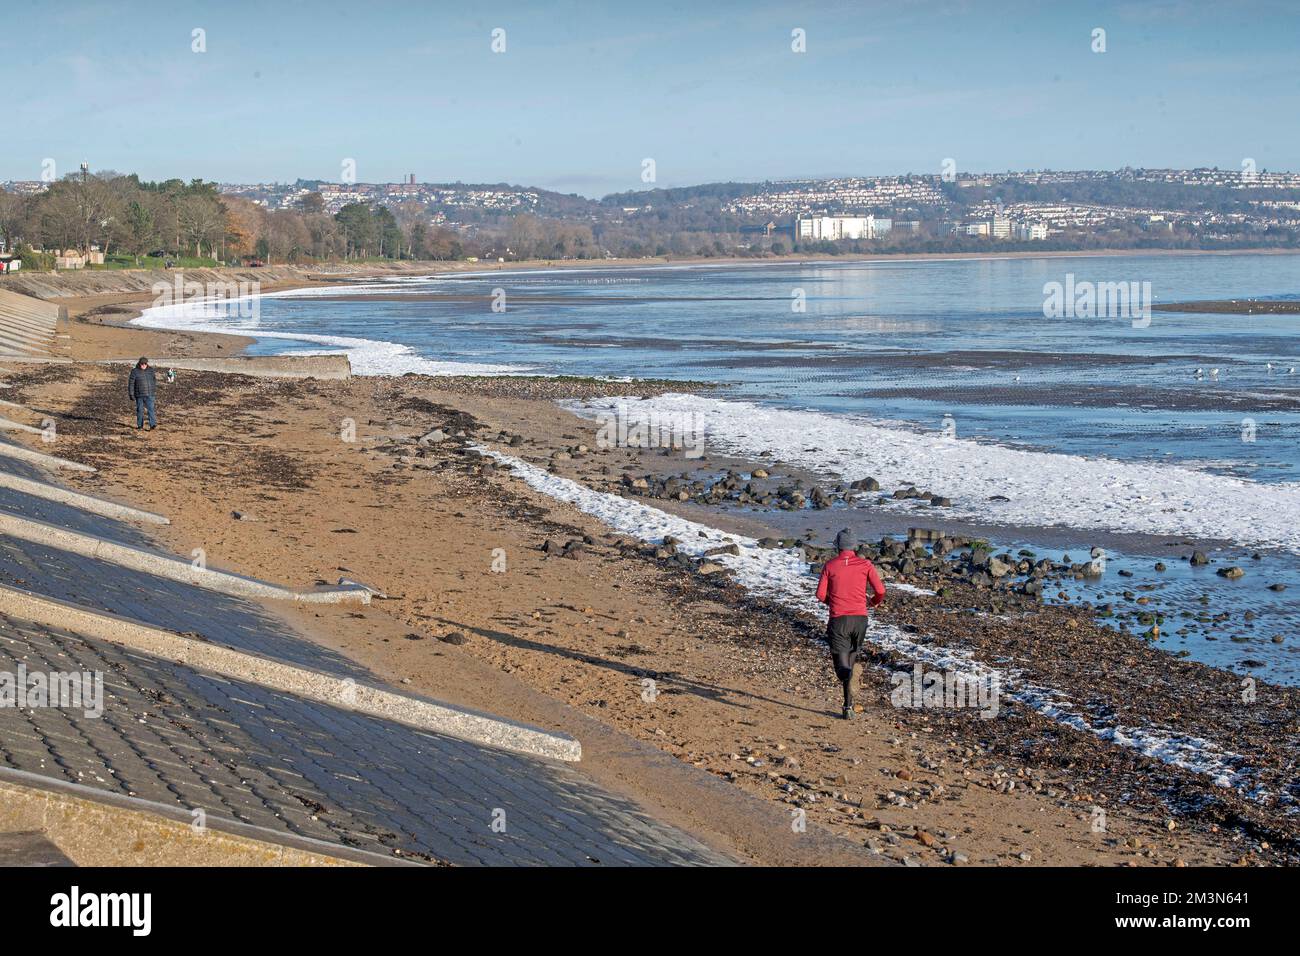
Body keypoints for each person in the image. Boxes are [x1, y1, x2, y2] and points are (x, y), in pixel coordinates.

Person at [815, 529, 885, 720]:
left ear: (837, 546)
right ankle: (848, 707)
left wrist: (833, 602)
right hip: (860, 620)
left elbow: (820, 595)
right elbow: (880, 590)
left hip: (839, 620)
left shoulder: (830, 566)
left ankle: (848, 685)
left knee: (841, 668)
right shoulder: (865, 564)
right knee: (851, 664)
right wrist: (873, 602)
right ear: (854, 546)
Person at [128, 357, 158, 430]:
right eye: (142, 364)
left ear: (147, 363)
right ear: (139, 363)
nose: (143, 365)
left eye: (145, 364)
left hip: (150, 394)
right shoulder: (134, 371)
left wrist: (153, 390)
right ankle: (140, 426)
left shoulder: (151, 370)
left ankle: (152, 425)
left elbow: (154, 380)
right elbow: (131, 383)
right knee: (140, 410)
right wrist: (131, 394)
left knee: (151, 409)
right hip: (139, 395)